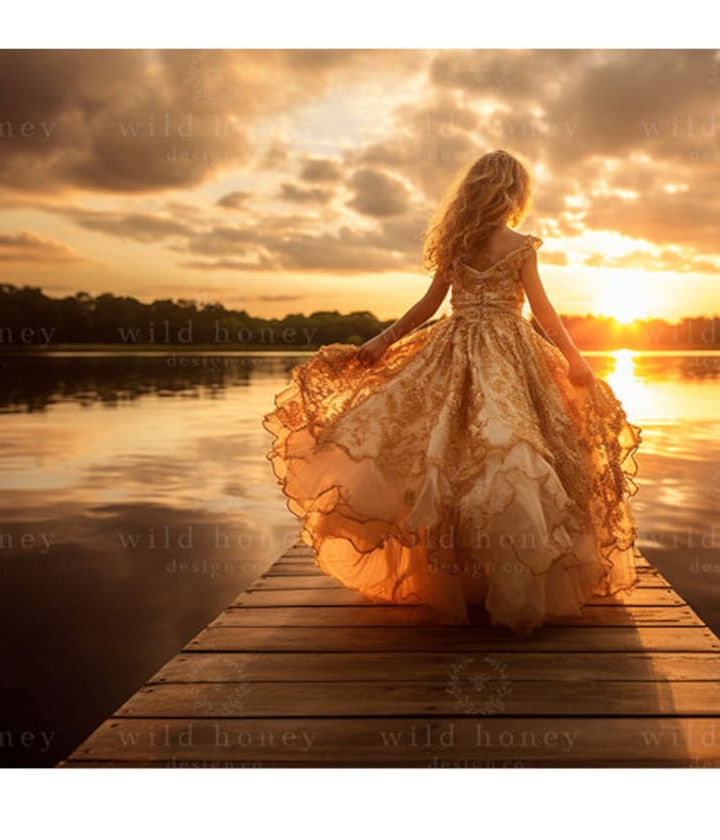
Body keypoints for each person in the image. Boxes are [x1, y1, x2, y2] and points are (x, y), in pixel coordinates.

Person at [263, 148, 642, 634]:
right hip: (509, 354)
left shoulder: (456, 245)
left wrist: (382, 341)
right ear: (513, 195)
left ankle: (468, 580)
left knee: (445, 457)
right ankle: (504, 579)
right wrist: (575, 359)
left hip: (457, 345)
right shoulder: (520, 247)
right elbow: (544, 313)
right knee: (511, 453)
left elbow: (425, 309)